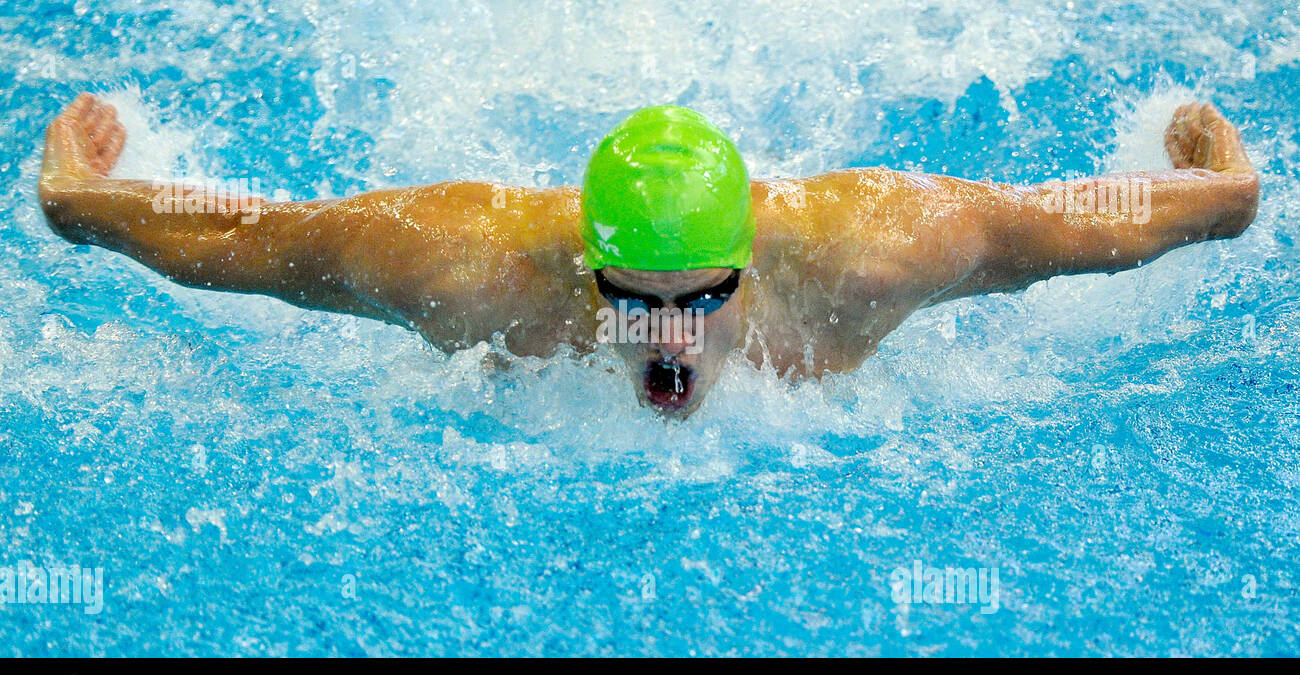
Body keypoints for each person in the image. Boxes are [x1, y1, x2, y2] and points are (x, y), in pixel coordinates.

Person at [38, 94, 1259, 417]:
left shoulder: (868, 254)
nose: (668, 337)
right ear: (584, 264)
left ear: (748, 260)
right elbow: (257, 237)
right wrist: (81, 203)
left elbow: (1063, 219)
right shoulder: (465, 265)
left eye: (700, 297)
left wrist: (1218, 187)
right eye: (633, 299)